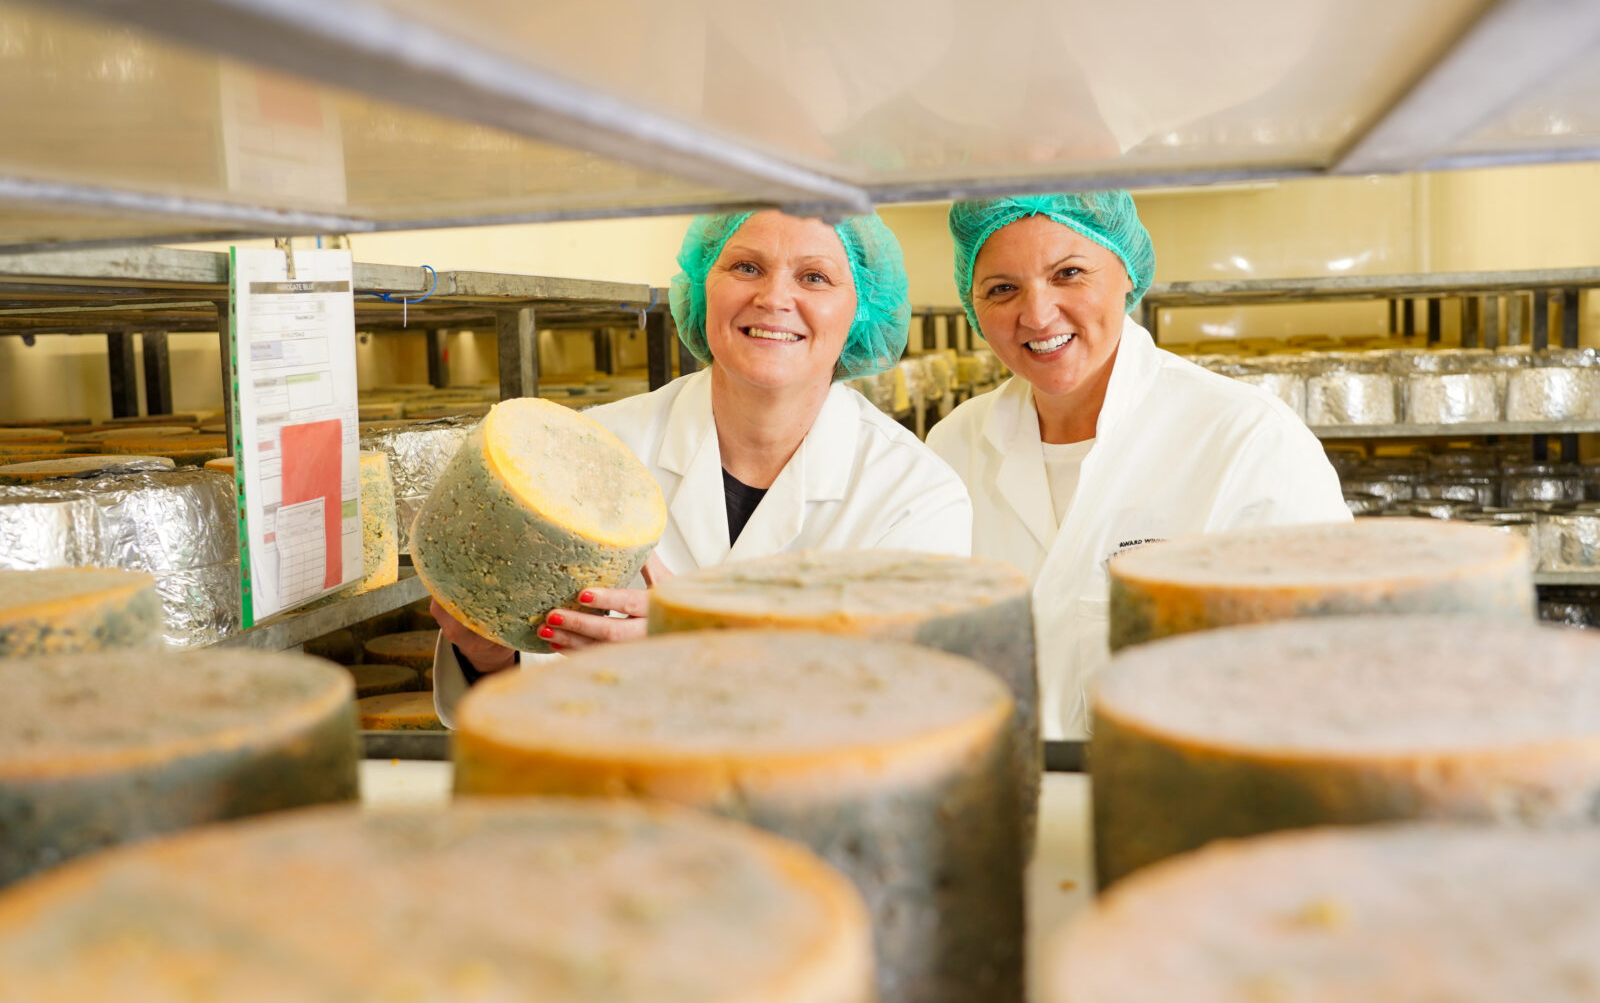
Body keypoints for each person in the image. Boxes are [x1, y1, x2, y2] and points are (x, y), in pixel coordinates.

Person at [432, 209, 973, 723]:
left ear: (861, 308)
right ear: (701, 286)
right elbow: (522, 694)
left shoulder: (913, 494)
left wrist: (708, 654)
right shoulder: (595, 448)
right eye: (746, 267)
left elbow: (903, 709)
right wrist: (488, 657)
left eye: (814, 277)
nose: (774, 297)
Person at [926, 193, 1349, 740]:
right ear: (971, 304)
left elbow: (1323, 664)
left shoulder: (1245, 439)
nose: (1037, 314)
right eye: (1002, 289)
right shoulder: (952, 448)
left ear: (1127, 271)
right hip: (994, 805)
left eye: (1069, 273)